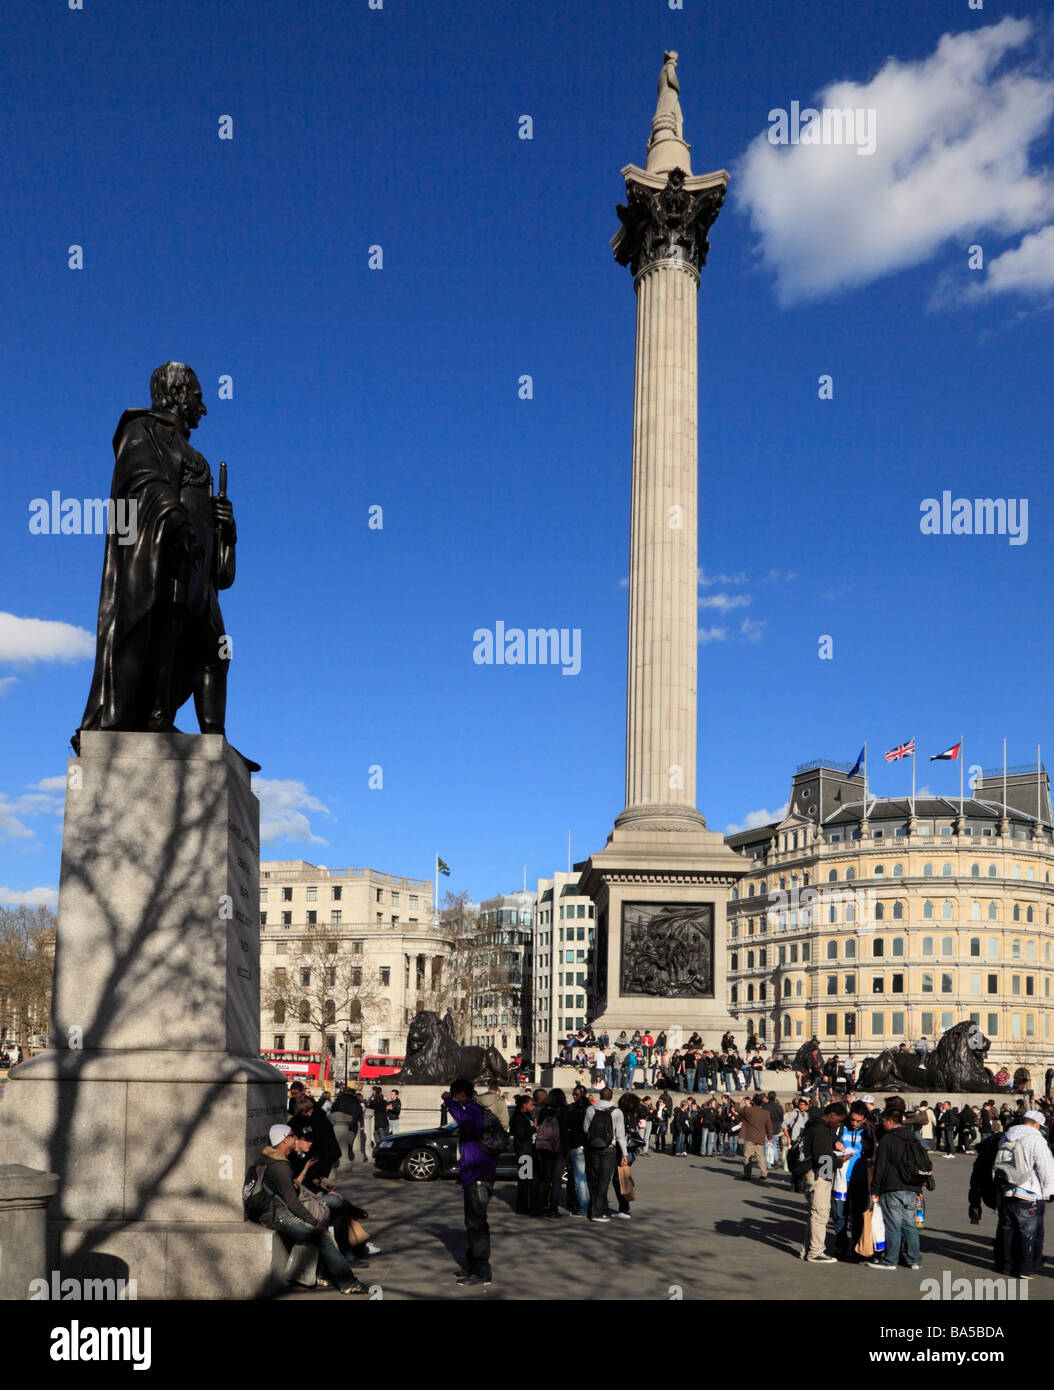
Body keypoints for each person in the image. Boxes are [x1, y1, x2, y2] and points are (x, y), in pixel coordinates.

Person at [244, 1123, 365, 1294]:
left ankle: (322, 1276)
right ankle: (348, 1283)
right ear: (284, 1139)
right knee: (323, 1236)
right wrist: (315, 1222)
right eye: (292, 1135)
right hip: (275, 1215)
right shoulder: (279, 1166)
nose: (295, 1138)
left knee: (320, 1231)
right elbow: (292, 1203)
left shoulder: (267, 1159)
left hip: (268, 1210)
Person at [442, 1079, 497, 1286]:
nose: (454, 1098)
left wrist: (450, 1102)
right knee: (472, 1222)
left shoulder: (472, 1111)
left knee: (477, 1224)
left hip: (479, 1174)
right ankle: (472, 1265)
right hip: (472, 1174)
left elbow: (462, 1120)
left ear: (462, 1094)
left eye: (455, 1095)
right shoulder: (472, 1109)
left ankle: (482, 1272)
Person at [993, 1108, 1054, 1279]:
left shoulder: (1006, 1137)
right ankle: (1026, 1268)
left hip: (1007, 1190)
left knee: (1008, 1231)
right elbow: (1046, 1168)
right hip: (1029, 1191)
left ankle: (1007, 1265)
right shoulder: (1036, 1140)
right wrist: (1049, 1191)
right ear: (1036, 1124)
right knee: (1028, 1232)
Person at [867, 1104, 928, 1272]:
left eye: (884, 1121)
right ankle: (914, 1259)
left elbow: (880, 1167)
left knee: (893, 1225)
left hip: (892, 1186)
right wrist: (919, 1191)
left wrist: (875, 1190)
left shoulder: (887, 1140)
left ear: (889, 1121)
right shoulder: (912, 1138)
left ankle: (890, 1260)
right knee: (910, 1225)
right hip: (912, 1187)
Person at [798, 1102, 847, 1262]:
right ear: (832, 1115)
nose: (838, 1124)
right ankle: (816, 1252)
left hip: (812, 1172)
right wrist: (840, 1161)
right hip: (819, 1174)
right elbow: (822, 1158)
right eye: (838, 1120)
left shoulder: (815, 1126)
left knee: (814, 1213)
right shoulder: (821, 1130)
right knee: (820, 1213)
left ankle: (808, 1249)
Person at [832, 1102, 876, 1260]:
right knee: (839, 1214)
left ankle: (857, 1246)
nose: (854, 1123)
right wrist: (835, 1142)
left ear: (864, 1119)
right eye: (852, 1120)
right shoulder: (840, 1127)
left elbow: (874, 1151)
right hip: (842, 1179)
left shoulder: (869, 1131)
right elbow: (829, 1138)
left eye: (858, 1121)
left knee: (858, 1215)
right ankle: (840, 1245)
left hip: (861, 1179)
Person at [584, 1086, 628, 1221]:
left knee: (594, 1179)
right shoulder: (617, 1112)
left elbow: (585, 1129)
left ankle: (599, 1209)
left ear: (599, 1095)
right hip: (609, 1148)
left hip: (593, 1147)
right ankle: (597, 1212)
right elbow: (620, 1135)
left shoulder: (591, 1109)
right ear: (611, 1096)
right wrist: (624, 1154)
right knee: (604, 1180)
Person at [531, 1087, 570, 1219]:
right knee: (557, 1180)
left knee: (545, 1178)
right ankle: (553, 1209)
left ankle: (539, 1207)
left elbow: (539, 1125)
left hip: (545, 1147)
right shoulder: (565, 1111)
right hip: (560, 1148)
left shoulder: (545, 1111)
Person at [511, 1093, 536, 1215]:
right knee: (524, 1179)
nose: (533, 1107)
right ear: (524, 1105)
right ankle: (522, 1206)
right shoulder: (518, 1118)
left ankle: (526, 1204)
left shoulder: (526, 1116)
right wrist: (534, 1128)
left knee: (527, 1179)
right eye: (531, 1104)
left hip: (527, 1150)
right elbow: (522, 1135)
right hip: (523, 1151)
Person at [738, 1095, 774, 1182]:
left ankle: (747, 1174)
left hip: (750, 1136)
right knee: (760, 1156)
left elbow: (736, 1109)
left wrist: (739, 1101)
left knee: (747, 1156)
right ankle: (764, 1173)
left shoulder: (748, 1110)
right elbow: (769, 1126)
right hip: (760, 1137)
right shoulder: (766, 1113)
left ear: (752, 1101)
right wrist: (770, 1137)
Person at [366, 1085, 390, 1153]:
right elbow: (388, 1106)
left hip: (378, 1123)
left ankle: (381, 1152)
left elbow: (368, 1105)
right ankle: (383, 1151)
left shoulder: (374, 1102)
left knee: (379, 1139)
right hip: (385, 1122)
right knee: (383, 1138)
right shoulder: (384, 1102)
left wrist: (371, 1099)